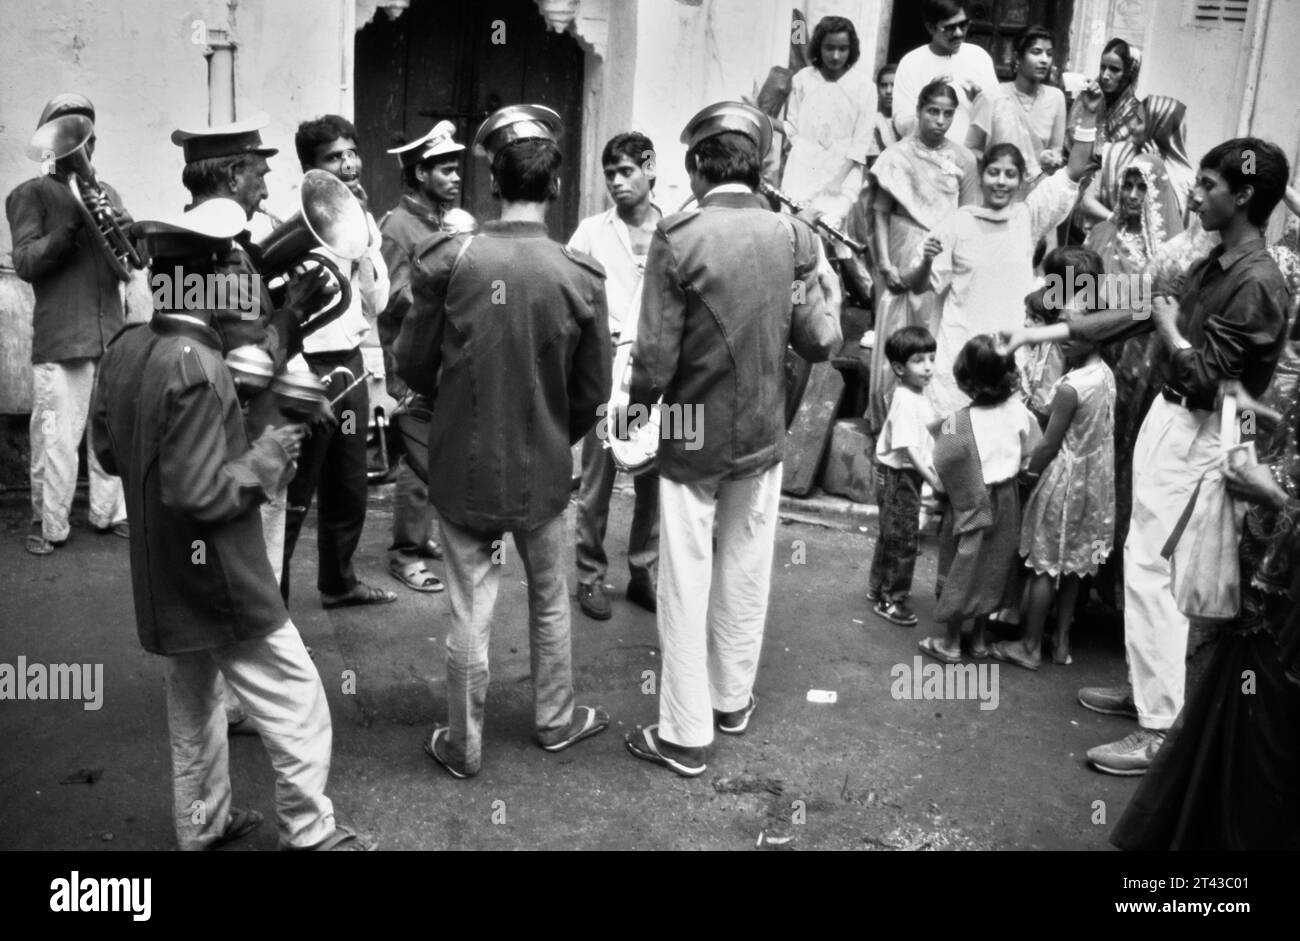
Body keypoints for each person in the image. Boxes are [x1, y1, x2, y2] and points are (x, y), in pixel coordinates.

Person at [1002, 138, 1291, 775]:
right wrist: (1045, 329)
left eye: (1210, 184)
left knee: (1159, 572)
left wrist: (1166, 328)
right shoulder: (1215, 263)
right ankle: (1145, 692)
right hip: (1171, 419)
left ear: (1243, 195)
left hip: (1201, 426)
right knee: (1143, 557)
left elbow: (1217, 379)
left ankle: (1161, 728)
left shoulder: (1257, 282)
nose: (1194, 192)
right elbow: (1134, 313)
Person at [91, 200, 374, 850]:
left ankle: (203, 827)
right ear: (211, 281)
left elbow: (110, 455)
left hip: (161, 570)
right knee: (298, 701)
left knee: (193, 708)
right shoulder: (199, 366)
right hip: (219, 573)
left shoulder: (128, 346)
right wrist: (267, 456)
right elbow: (200, 492)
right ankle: (310, 833)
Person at [622, 101, 841, 778]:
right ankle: (732, 700)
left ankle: (685, 733)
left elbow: (655, 359)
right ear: (758, 165)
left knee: (685, 576)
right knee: (745, 564)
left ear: (694, 165)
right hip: (763, 428)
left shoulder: (678, 234)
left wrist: (634, 418)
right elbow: (819, 339)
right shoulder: (791, 234)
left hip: (694, 429)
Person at [395, 105, 613, 778]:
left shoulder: (451, 259)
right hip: (545, 472)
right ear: (553, 188)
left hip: (463, 469)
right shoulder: (579, 274)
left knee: (470, 609)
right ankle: (553, 719)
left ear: (493, 180)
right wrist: (554, 434)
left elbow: (412, 363)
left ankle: (463, 744)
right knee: (550, 598)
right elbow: (592, 390)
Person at [170, 114, 339, 735]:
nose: (266, 190)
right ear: (234, 173)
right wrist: (294, 313)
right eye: (259, 175)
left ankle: (224, 696)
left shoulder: (187, 243)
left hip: (209, 442)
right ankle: (250, 700)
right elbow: (248, 365)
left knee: (217, 577)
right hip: (244, 441)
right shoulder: (221, 255)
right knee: (254, 576)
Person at [1111, 397, 1300, 849]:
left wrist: (1273, 496)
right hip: (1261, 619)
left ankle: (1157, 722)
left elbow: (1223, 381)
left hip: (1286, 639)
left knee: (1267, 769)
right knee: (1234, 748)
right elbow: (1258, 417)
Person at [903, 80, 1102, 419]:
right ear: (981, 177)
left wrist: (1088, 114)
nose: (1000, 181)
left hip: (1010, 347)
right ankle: (940, 470)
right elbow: (919, 285)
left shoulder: (1028, 217)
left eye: (1010, 175)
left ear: (1022, 180)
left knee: (999, 438)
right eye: (994, 173)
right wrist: (926, 259)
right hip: (960, 347)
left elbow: (1073, 172)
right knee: (951, 430)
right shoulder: (959, 222)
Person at [7, 93, 128, 555]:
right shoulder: (29, 194)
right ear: (51, 147)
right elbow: (25, 262)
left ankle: (108, 513)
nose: (86, 151)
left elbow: (134, 259)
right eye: (77, 141)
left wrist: (125, 227)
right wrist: (72, 227)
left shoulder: (108, 193)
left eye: (90, 140)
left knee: (110, 432)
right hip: (63, 338)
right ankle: (50, 524)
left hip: (111, 334)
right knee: (57, 441)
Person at [282, 114, 393, 608]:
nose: (349, 164)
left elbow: (380, 301)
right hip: (307, 364)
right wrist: (299, 382)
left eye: (352, 152)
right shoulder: (295, 220)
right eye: (334, 157)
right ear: (312, 169)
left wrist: (365, 243)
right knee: (294, 495)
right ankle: (273, 610)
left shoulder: (364, 216)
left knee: (349, 486)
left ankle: (339, 582)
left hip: (349, 361)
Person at [995, 250, 1116, 671]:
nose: (1065, 335)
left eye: (1074, 330)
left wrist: (1029, 469)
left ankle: (1028, 645)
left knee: (1045, 565)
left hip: (1061, 478)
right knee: (1077, 567)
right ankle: (1061, 642)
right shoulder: (1106, 376)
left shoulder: (1068, 384)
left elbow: (1048, 442)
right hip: (1095, 482)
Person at [1084, 153, 1185, 610]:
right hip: (1095, 364)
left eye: (1142, 188)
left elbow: (1162, 313)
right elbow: (1071, 294)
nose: (1130, 196)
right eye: (1125, 185)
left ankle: (1120, 588)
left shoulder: (1163, 257)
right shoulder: (1099, 234)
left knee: (1130, 467)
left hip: (1142, 376)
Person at [377, 120, 474, 594]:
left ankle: (423, 535)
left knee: (437, 447)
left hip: (439, 354)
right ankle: (405, 553)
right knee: (415, 458)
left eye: (457, 170)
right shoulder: (398, 227)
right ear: (419, 174)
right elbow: (391, 295)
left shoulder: (440, 220)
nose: (456, 179)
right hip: (409, 354)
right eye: (446, 171)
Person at [568, 132, 662, 620]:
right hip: (607, 362)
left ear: (650, 169)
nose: (617, 182)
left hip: (662, 367)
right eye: (610, 173)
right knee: (597, 475)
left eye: (626, 171)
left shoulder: (676, 230)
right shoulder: (591, 232)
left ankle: (644, 573)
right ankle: (589, 576)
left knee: (655, 472)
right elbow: (570, 293)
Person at [919, 336, 1042, 664]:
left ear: (966, 380)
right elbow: (1032, 454)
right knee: (993, 567)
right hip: (1007, 500)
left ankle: (951, 643)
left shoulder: (957, 424)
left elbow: (942, 466)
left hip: (969, 501)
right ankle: (979, 640)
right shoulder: (1020, 413)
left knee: (961, 564)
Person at [866, 80, 979, 432]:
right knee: (897, 331)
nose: (940, 120)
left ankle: (923, 427)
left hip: (942, 255)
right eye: (933, 111)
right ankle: (887, 423)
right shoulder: (896, 156)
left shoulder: (964, 159)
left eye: (948, 113)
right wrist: (884, 263)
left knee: (933, 334)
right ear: (918, 112)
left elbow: (968, 216)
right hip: (901, 245)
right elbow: (880, 212)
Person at [869, 325, 941, 627]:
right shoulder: (906, 400)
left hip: (898, 475)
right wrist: (934, 481)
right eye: (918, 360)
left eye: (931, 359)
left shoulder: (916, 395)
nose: (928, 367)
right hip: (901, 477)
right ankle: (891, 599)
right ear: (899, 367)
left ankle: (878, 587)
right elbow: (909, 449)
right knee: (903, 538)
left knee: (891, 533)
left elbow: (930, 429)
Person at [781, 15, 874, 236]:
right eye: (829, 48)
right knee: (794, 225)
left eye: (842, 49)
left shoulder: (865, 88)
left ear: (851, 50)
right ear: (818, 47)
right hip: (803, 166)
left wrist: (837, 181)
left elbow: (861, 141)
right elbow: (794, 128)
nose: (835, 55)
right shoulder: (802, 79)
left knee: (828, 227)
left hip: (843, 170)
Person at [967, 25, 1067, 185]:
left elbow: (1056, 149)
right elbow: (970, 151)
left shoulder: (1056, 98)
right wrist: (1001, 165)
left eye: (1049, 54)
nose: (1044, 60)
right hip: (997, 188)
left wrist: (1052, 158)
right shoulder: (991, 98)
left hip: (1037, 194)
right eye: (1036, 52)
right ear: (1018, 57)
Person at [892, 0, 999, 147]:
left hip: (971, 157)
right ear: (930, 28)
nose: (959, 33)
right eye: (949, 28)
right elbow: (901, 124)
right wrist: (926, 99)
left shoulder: (979, 57)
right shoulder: (911, 62)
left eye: (963, 25)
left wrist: (981, 102)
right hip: (925, 155)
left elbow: (999, 116)